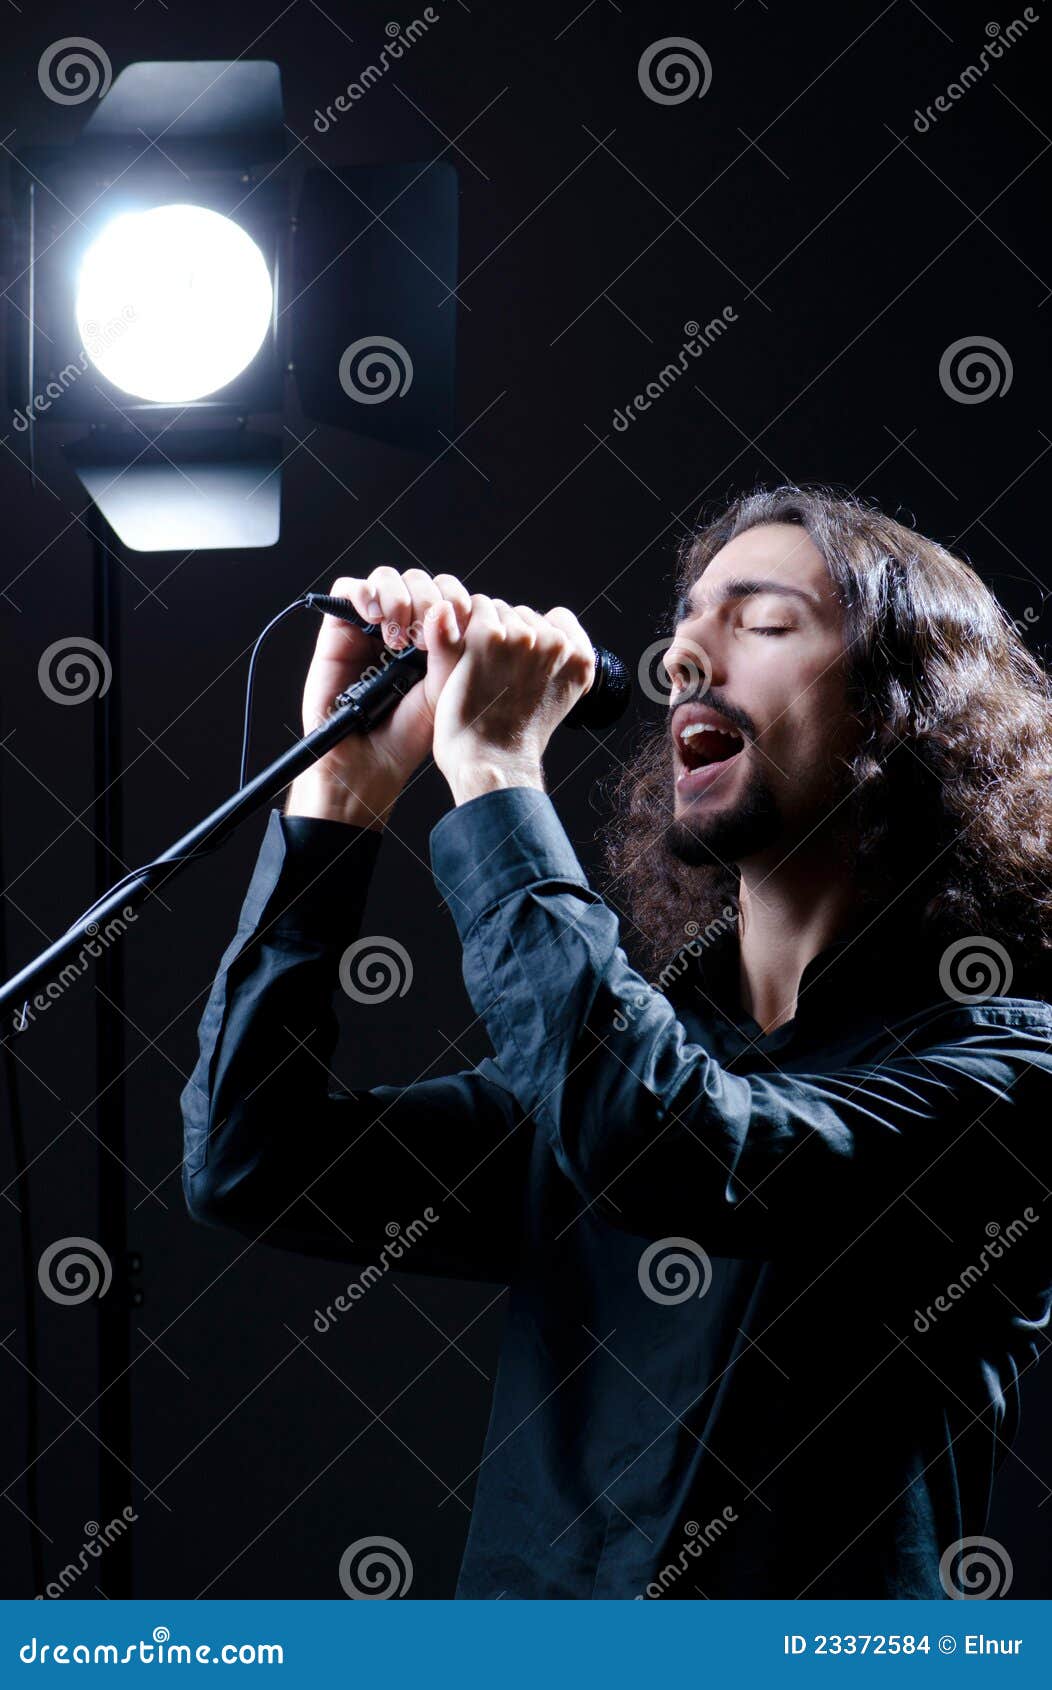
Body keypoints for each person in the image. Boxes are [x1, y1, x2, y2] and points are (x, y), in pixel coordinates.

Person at [181, 484, 1052, 1599]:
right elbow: (254, 1158)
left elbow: (674, 1149)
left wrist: (494, 771)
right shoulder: (613, 1055)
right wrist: (339, 794)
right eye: (686, 626)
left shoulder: (1012, 1073)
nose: (685, 656)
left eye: (763, 622)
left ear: (906, 710)